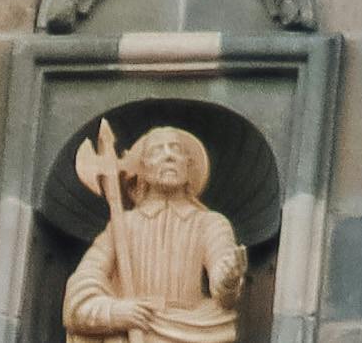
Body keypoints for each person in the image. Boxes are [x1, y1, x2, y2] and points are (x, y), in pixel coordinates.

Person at [66, 123, 247, 343]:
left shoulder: (210, 223)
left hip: (194, 330)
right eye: (157, 151)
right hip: (133, 326)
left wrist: (228, 279)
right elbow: (84, 280)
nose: (168, 156)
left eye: (176, 149)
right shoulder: (122, 225)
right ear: (142, 168)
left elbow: (222, 276)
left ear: (188, 165)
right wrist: (116, 312)